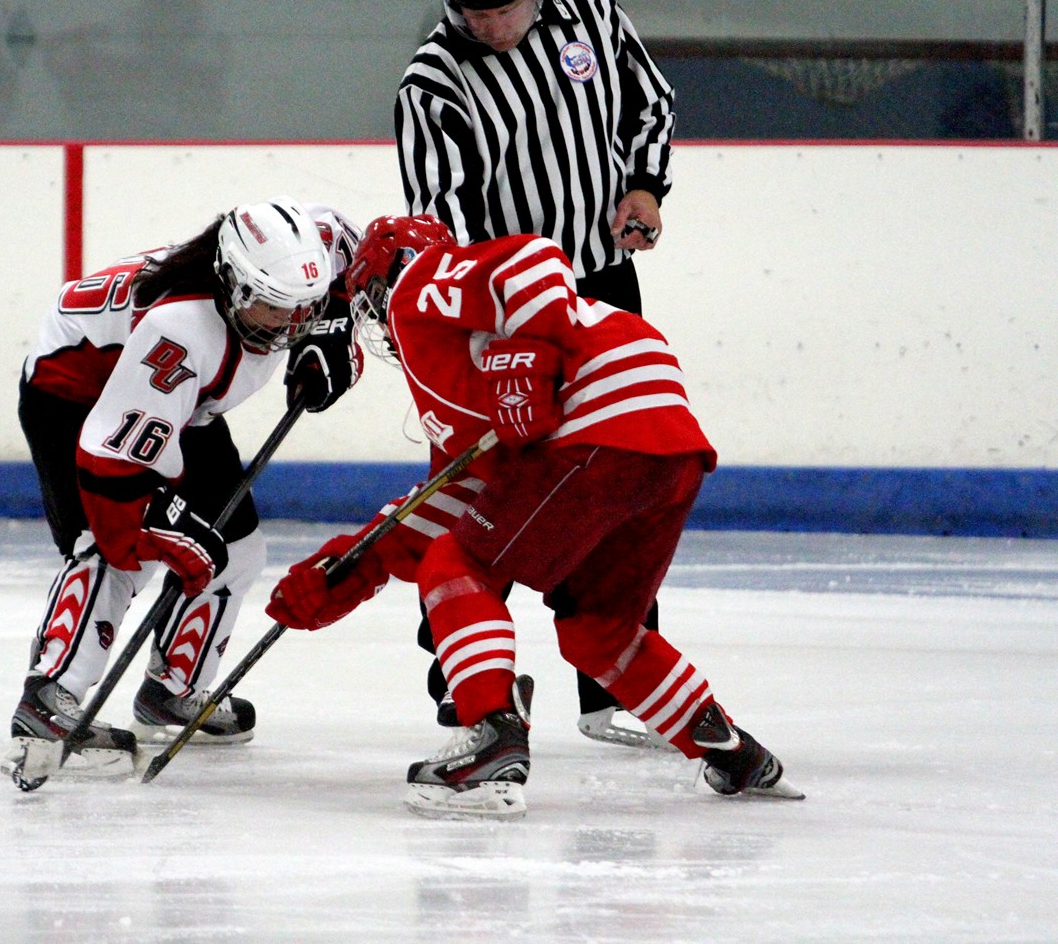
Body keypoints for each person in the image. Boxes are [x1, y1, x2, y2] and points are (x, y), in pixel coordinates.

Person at [266, 215, 802, 817]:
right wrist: (356, 563)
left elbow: (535, 259)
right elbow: (454, 494)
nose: (375, 321)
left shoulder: (418, 286)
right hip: (666, 444)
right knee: (598, 630)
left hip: (598, 421)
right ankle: (729, 749)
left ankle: (492, 734)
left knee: (457, 564)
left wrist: (534, 358)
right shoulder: (464, 357)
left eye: (368, 298)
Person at [394, 0, 676, 745]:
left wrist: (645, 187)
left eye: (502, 8)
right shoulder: (433, 82)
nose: (487, 24)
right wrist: (497, 326)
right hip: (503, 315)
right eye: (471, 10)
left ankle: (612, 678)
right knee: (488, 484)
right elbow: (443, 225)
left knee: (616, 472)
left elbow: (649, 103)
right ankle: (461, 677)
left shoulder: (591, 15)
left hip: (602, 288)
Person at [4, 198, 362, 782]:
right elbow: (111, 463)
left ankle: (173, 689)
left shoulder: (307, 250)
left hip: (178, 400)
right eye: (275, 308)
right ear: (233, 284)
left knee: (237, 547)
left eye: (303, 308)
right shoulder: (183, 331)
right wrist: (151, 528)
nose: (288, 326)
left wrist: (332, 325)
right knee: (109, 547)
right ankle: (52, 697)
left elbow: (359, 252)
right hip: (75, 395)